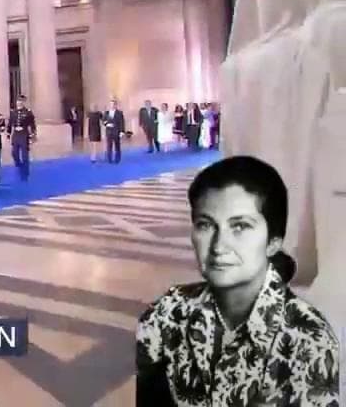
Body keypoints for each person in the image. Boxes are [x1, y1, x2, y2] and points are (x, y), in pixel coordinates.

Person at [136, 156, 340, 405]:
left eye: (240, 226)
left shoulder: (308, 337)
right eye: (205, 225)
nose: (219, 246)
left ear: (273, 242)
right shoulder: (165, 314)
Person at [7, 94, 36, 182]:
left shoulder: (28, 112)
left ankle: (25, 174)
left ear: (24, 102)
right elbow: (10, 123)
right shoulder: (13, 112)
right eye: (18, 101)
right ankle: (19, 165)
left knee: (25, 155)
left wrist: (32, 135)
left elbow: (32, 124)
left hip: (24, 134)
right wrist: (8, 134)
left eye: (21, 101)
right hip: (16, 134)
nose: (19, 103)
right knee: (14, 153)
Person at [105, 98, 126, 164]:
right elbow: (103, 121)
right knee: (109, 146)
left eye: (113, 104)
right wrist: (107, 124)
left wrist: (122, 131)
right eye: (111, 104)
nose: (112, 105)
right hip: (109, 132)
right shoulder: (106, 112)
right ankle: (109, 159)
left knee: (117, 146)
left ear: (116, 105)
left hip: (116, 131)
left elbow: (122, 122)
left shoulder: (119, 113)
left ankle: (117, 159)